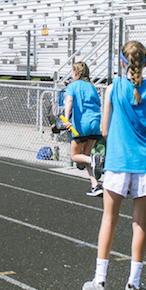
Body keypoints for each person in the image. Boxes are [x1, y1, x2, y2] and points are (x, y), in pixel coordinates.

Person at [82, 41, 146, 290]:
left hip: (118, 160)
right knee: (139, 223)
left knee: (109, 219)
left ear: (122, 62)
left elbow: (104, 130)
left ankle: (100, 280)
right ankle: (134, 283)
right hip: (144, 162)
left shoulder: (113, 88)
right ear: (145, 62)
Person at [64, 62, 104, 196]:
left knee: (75, 156)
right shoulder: (91, 87)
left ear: (75, 73)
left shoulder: (72, 86)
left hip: (82, 124)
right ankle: (95, 185)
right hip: (95, 122)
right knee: (86, 155)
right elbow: (98, 104)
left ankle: (92, 160)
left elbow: (69, 101)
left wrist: (66, 119)